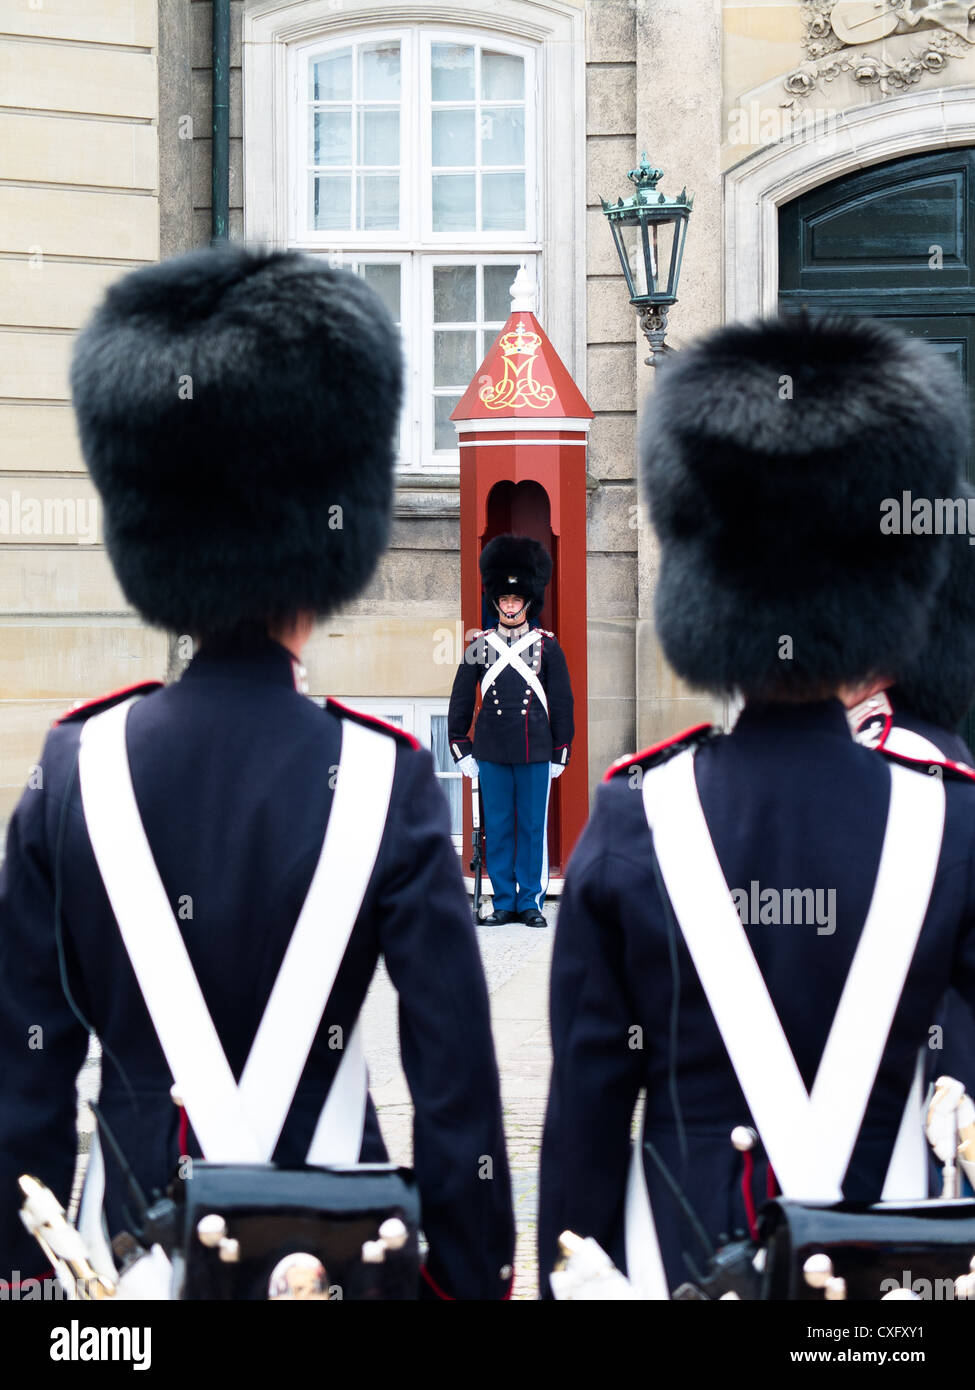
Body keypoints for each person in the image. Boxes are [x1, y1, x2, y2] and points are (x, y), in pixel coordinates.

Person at [0, 243, 515, 1300]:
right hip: (338, 1250)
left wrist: (28, 1285)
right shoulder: (385, 776)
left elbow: (26, 1071)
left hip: (120, 1272)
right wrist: (466, 1272)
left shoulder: (74, 767)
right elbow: (454, 1074)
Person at [538, 313, 975, 1298]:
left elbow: (587, 1116)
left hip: (678, 1265)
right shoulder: (949, 821)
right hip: (895, 1288)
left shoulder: (633, 822)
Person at [448, 534, 574, 927]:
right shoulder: (480, 645)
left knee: (533, 828)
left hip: (535, 750)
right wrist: (461, 747)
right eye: (504, 601)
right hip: (492, 751)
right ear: (496, 604)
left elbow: (563, 701)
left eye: (516, 601)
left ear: (528, 604)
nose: (509, 606)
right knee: (498, 827)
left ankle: (530, 902)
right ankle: (503, 900)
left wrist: (560, 750)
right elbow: (461, 699)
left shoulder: (548, 647)